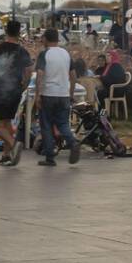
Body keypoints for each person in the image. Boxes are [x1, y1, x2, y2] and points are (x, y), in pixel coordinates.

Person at [0, 19, 32, 166]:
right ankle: (6, 155)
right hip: (15, 90)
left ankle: (14, 145)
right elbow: (29, 70)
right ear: (18, 32)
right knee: (7, 122)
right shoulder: (23, 51)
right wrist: (24, 85)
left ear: (6, 30)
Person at [33, 28, 80, 167]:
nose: (41, 41)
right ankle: (73, 142)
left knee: (46, 126)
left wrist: (37, 95)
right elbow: (73, 76)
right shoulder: (66, 54)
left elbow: (40, 75)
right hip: (63, 95)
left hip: (48, 94)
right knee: (63, 124)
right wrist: (70, 94)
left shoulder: (44, 54)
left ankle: (49, 158)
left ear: (46, 39)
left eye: (42, 38)